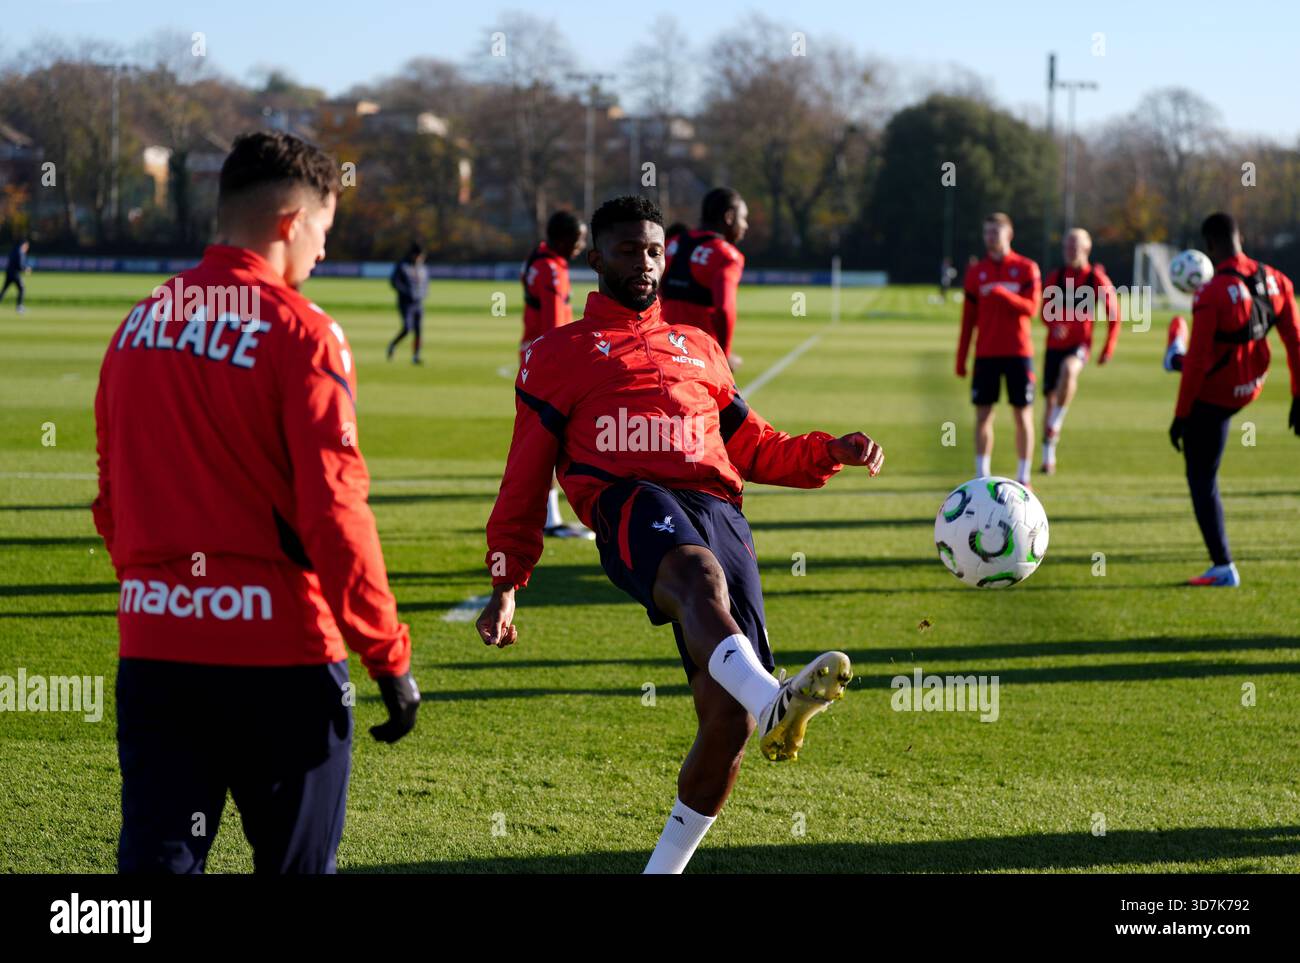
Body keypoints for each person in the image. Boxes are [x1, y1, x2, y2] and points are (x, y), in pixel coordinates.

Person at [477, 194, 885, 874]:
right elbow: (524, 476)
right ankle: (773, 694)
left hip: (720, 508)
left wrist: (828, 451)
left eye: (656, 250)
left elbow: (753, 444)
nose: (646, 261)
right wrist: (507, 579)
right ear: (596, 255)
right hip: (630, 499)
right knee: (695, 575)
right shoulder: (557, 354)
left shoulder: (700, 348)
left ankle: (664, 866)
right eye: (632, 249)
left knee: (728, 724)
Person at [92, 130, 419, 874]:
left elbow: (111, 499)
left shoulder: (134, 327)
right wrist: (386, 653)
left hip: (157, 651)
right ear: (288, 222)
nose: (324, 254)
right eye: (325, 232)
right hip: (281, 662)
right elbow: (336, 511)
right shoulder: (304, 333)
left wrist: (163, 591)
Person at [1164, 212, 1300, 586]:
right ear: (1240, 237)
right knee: (1208, 361)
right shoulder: (1278, 280)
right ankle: (1175, 352)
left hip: (1215, 393)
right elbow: (1295, 341)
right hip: (1252, 382)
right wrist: (1298, 394)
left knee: (1201, 478)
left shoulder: (1209, 293)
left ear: (1209, 246)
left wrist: (1180, 415)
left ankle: (1222, 567)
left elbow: (1197, 368)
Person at [956, 212, 1042, 487]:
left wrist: (1003, 294)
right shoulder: (975, 272)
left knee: (1022, 414)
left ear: (1009, 234)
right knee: (983, 416)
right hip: (986, 354)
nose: (990, 237)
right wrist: (961, 357)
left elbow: (1032, 309)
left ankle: (1024, 476)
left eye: (996, 231)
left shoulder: (1027, 268)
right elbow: (968, 320)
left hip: (1018, 353)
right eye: (987, 232)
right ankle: (982, 476)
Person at [521, 210, 592, 539]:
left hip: (541, 360)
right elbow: (552, 326)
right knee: (554, 439)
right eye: (577, 239)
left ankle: (550, 516)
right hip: (551, 364)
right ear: (562, 239)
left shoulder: (543, 262)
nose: (581, 245)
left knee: (551, 438)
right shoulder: (550, 269)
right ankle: (549, 519)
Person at [1039, 228, 1120, 473]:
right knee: (1049, 400)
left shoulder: (1095, 278)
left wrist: (1108, 347)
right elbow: (1043, 311)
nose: (1070, 251)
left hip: (1079, 345)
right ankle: (1047, 457)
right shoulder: (1056, 276)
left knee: (1069, 369)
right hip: (1053, 347)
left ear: (1087, 249)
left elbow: (1114, 315)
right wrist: (1054, 325)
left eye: (1075, 246)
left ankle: (1057, 422)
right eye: (1067, 246)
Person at [661, 187, 748, 370]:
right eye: (743, 218)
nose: (745, 226)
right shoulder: (726, 255)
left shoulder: (670, 245)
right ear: (729, 217)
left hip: (663, 352)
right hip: (701, 359)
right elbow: (724, 310)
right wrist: (724, 355)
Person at [386, 241, 429, 364]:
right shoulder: (403, 266)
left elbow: (425, 283)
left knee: (419, 330)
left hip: (418, 303)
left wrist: (424, 293)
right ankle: (392, 345)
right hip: (406, 303)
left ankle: (416, 356)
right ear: (413, 254)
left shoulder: (422, 267)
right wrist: (406, 292)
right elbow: (394, 282)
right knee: (407, 328)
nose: (420, 258)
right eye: (419, 255)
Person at [1, 238, 30, 313]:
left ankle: (19, 306)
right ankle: (19, 307)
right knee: (22, 289)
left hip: (9, 273)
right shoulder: (20, 252)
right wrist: (26, 269)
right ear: (24, 245)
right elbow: (20, 265)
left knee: (4, 290)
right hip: (15, 274)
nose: (27, 248)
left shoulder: (14, 250)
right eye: (26, 246)